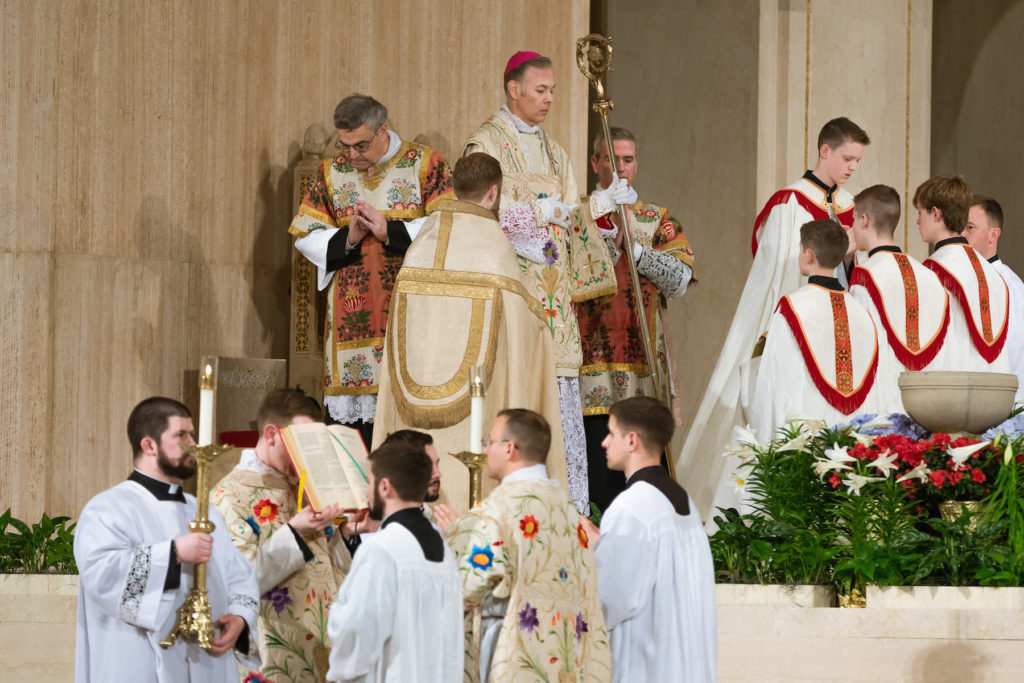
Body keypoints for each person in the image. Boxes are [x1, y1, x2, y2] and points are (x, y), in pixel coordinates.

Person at [678, 117, 869, 518]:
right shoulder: (790, 203)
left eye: (858, 161)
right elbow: (773, 278)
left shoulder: (852, 207)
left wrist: (850, 258)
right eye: (848, 158)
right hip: (793, 328)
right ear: (825, 151)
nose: (852, 168)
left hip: (834, 329)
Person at [463, 51, 626, 513]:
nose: (550, 98)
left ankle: (562, 509)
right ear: (513, 89)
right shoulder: (485, 145)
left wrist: (598, 206)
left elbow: (571, 220)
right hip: (513, 297)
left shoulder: (555, 152)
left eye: (553, 90)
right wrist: (537, 211)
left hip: (557, 309)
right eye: (541, 90)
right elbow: (478, 211)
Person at [373, 152, 565, 512]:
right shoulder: (494, 251)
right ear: (493, 194)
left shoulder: (420, 246)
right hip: (478, 408)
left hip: (411, 408)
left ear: (454, 187)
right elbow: (526, 325)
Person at [289, 94, 454, 447]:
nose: (351, 155)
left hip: (410, 318)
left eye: (361, 145)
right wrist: (347, 237)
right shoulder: (331, 172)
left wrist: (389, 231)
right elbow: (305, 233)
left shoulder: (425, 165)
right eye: (344, 146)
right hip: (352, 329)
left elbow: (450, 226)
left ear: (383, 130)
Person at [74, 397, 260, 682]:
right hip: (137, 659)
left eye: (193, 434)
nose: (194, 445)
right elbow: (102, 574)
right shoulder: (108, 508)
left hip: (207, 660)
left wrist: (238, 618)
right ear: (149, 445)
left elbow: (238, 576)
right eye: (181, 436)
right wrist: (173, 553)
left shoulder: (204, 511)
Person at [434, 409, 612, 683]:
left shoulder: (499, 510)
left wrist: (455, 537)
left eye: (489, 442)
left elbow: (461, 588)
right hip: (569, 660)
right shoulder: (568, 512)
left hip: (515, 655)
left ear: (510, 449)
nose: (485, 450)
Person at [573, 127, 696, 512]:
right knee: (598, 480)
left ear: (637, 164)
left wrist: (638, 250)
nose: (621, 169)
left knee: (643, 486)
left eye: (628, 160)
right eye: (613, 159)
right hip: (589, 363)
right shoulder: (578, 215)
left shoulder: (656, 218)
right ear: (596, 163)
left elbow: (680, 280)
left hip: (643, 364)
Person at [212, 389, 351, 682]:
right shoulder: (228, 496)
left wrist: (349, 534)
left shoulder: (302, 486)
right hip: (274, 651)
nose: (306, 454)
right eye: (300, 442)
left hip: (327, 646)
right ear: (272, 433)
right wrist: (295, 531)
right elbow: (241, 578)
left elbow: (326, 568)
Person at [580, 397, 716, 682]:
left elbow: (610, 600)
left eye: (611, 434)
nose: (604, 443)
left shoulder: (631, 506)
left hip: (646, 669)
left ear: (632, 440)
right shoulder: (685, 503)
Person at [325, 440, 463, 682]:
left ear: (385, 487)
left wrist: (337, 612)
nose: (367, 492)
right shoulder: (443, 546)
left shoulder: (381, 549)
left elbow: (355, 631)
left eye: (369, 482)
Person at [749, 219, 879, 441]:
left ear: (808, 255)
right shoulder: (862, 312)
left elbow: (774, 376)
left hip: (804, 433)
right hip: (851, 438)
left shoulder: (792, 306)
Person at [848, 185, 951, 413]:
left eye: (853, 220)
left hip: (880, 407)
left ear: (864, 220)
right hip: (925, 408)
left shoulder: (865, 276)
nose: (852, 228)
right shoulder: (929, 276)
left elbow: (860, 349)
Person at [919, 176, 1010, 373]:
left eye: (920, 212)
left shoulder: (933, 269)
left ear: (935, 213)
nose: (917, 221)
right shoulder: (993, 274)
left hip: (949, 389)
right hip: (990, 392)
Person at [964, 195, 1024, 400]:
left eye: (970, 227)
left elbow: (1013, 349)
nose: (961, 234)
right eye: (960, 227)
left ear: (993, 234)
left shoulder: (1007, 285)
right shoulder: (962, 278)